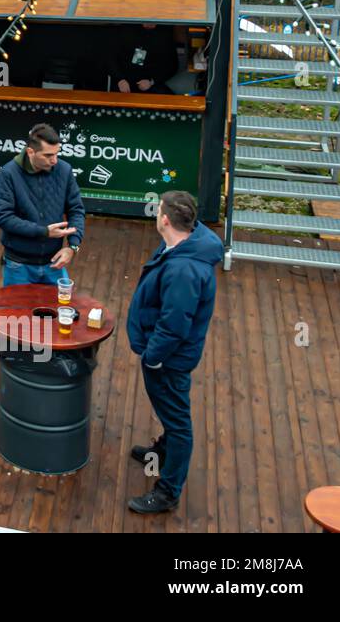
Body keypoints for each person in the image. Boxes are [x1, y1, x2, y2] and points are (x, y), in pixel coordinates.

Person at [126, 190, 222, 514]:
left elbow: (174, 326)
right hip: (166, 355)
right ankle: (164, 450)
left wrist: (152, 356)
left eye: (158, 211)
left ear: (165, 219)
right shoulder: (184, 244)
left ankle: (168, 491)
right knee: (171, 412)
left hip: (168, 360)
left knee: (179, 422)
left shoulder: (184, 270)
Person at [0, 122, 84, 285]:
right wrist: (43, 232)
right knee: (16, 311)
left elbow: (76, 210)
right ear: (30, 152)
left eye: (57, 154)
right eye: (48, 155)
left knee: (60, 310)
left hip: (54, 264)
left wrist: (72, 247)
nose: (55, 160)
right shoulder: (8, 174)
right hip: (18, 266)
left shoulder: (65, 170)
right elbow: (4, 218)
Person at [108, 23, 179, 95]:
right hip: (125, 82)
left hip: (151, 84)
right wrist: (120, 79)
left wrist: (152, 81)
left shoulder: (165, 34)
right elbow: (111, 58)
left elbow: (172, 66)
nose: (149, 23)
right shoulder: (126, 29)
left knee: (169, 100)